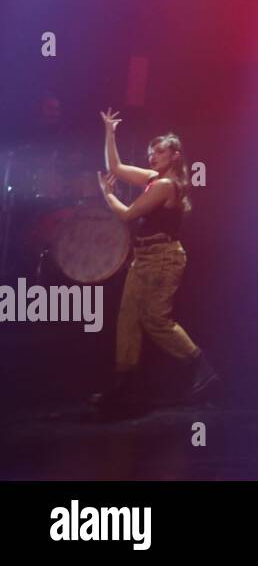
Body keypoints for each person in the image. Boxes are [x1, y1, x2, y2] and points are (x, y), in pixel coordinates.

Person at [92, 109, 217, 409]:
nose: (152, 156)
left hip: (163, 257)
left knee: (155, 320)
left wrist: (107, 194)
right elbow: (117, 166)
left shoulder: (164, 185)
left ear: (175, 155)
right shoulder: (153, 178)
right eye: (151, 152)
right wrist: (110, 132)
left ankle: (201, 366)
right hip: (144, 256)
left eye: (159, 151)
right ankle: (125, 385)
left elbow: (127, 214)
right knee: (128, 321)